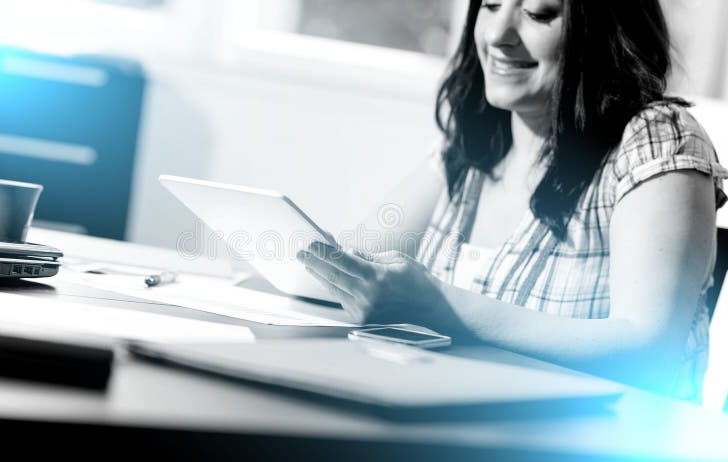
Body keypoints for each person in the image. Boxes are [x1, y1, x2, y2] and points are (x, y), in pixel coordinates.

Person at [297, 0, 728, 402]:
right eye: (490, 5)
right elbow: (346, 269)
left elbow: (648, 348)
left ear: (603, 30)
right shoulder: (474, 148)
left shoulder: (656, 138)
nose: (499, 33)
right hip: (450, 418)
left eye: (539, 13)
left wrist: (439, 308)